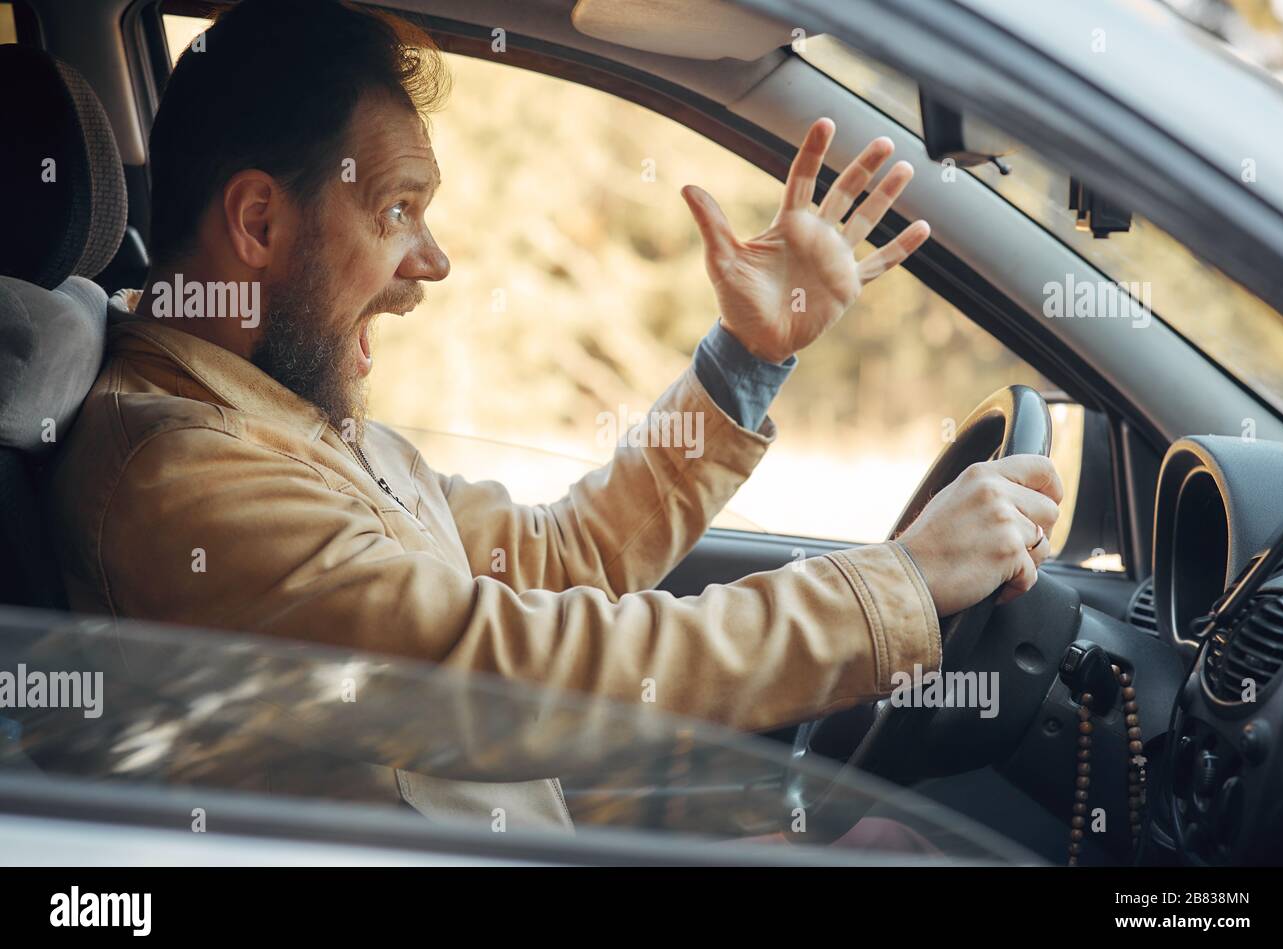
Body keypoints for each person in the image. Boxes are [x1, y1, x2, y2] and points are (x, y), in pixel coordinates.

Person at [50, 0, 1061, 834]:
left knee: (892, 839)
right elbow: (515, 676)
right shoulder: (179, 473)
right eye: (398, 210)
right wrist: (903, 584)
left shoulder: (281, 421)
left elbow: (549, 560)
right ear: (259, 222)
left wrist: (747, 358)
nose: (432, 263)